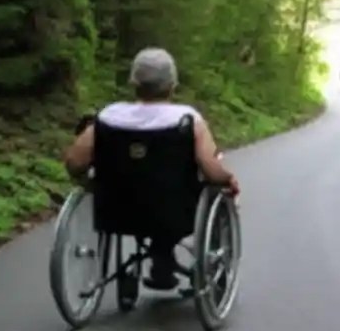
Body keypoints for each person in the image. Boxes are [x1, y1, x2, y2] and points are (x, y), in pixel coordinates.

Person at [62, 47, 240, 291]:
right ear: (172, 84)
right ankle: (206, 275)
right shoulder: (187, 120)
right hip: (176, 212)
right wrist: (228, 179)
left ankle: (161, 262)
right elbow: (210, 168)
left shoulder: (107, 117)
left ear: (134, 82)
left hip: (115, 211)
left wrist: (92, 182)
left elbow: (74, 163)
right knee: (215, 191)